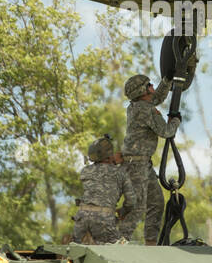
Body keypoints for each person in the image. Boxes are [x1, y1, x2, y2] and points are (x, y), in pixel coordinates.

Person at [120, 74, 181, 245]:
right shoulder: (146, 110)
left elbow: (157, 97)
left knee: (156, 204)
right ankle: (119, 242)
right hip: (136, 166)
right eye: (150, 85)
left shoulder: (136, 106)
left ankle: (150, 244)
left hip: (140, 164)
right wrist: (175, 120)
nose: (153, 88)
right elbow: (166, 131)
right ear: (143, 90)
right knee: (137, 206)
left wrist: (167, 81)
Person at [72, 135, 137, 244]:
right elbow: (131, 201)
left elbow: (101, 172)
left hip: (81, 218)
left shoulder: (85, 171)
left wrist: (111, 161)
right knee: (120, 252)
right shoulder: (120, 173)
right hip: (104, 219)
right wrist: (123, 211)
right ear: (109, 155)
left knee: (76, 253)